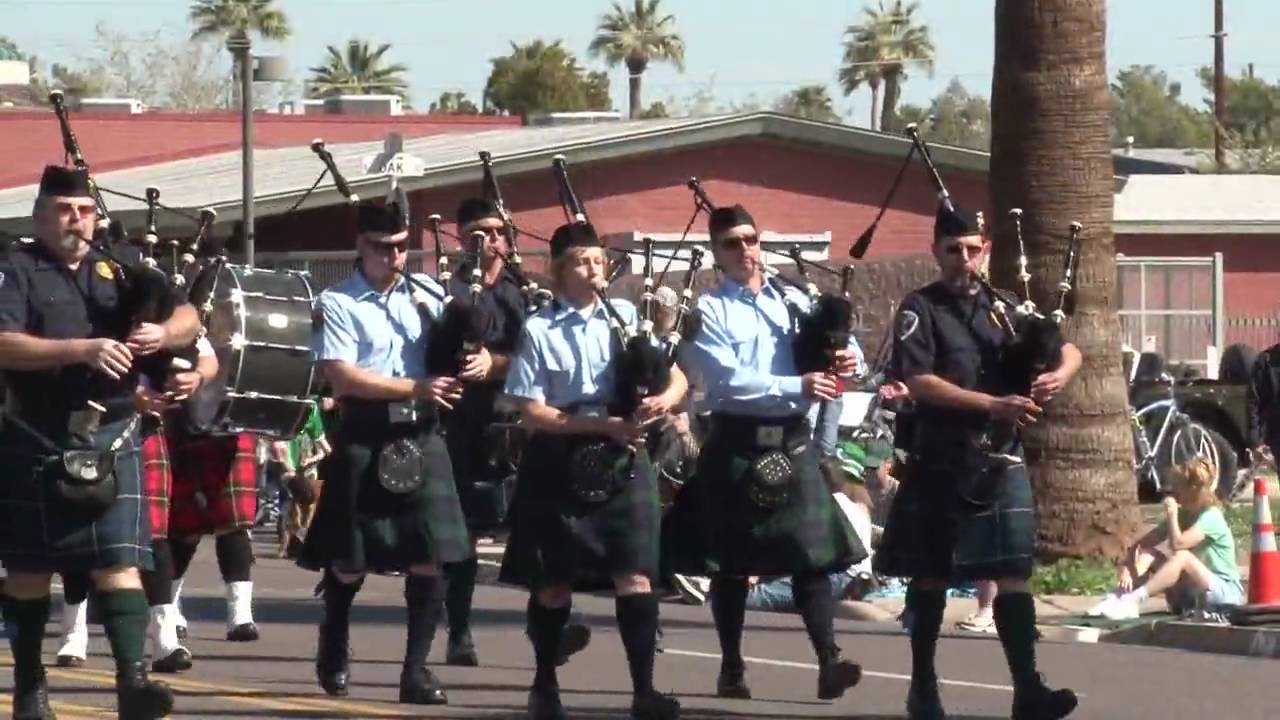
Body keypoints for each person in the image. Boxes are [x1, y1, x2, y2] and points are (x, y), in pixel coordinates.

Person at [0, 165, 202, 719]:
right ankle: (28, 687)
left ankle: (132, 684)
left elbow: (186, 314)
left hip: (113, 432)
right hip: (36, 430)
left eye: (85, 209)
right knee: (28, 569)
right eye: (65, 209)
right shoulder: (16, 270)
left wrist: (166, 335)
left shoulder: (120, 265)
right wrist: (81, 349)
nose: (77, 220)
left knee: (119, 561)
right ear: (40, 216)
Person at [874, 201, 1082, 720]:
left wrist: (1063, 373)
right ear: (936, 252)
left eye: (972, 250)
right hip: (942, 456)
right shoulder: (919, 309)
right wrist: (992, 404)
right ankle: (923, 687)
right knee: (931, 576)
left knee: (1013, 573)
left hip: (1001, 456)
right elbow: (919, 381)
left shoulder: (1007, 307)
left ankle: (1028, 689)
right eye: (953, 250)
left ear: (985, 251)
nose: (963, 259)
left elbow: (1068, 348)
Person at [662, 203, 866, 703]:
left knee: (811, 559)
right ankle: (731, 667)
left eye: (751, 239)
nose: (745, 250)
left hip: (792, 440)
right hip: (736, 441)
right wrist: (798, 382)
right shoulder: (709, 311)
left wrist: (845, 357)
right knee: (730, 563)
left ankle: (829, 661)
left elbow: (850, 355)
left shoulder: (794, 300)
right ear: (715, 252)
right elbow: (728, 379)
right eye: (732, 242)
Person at [499, 221, 686, 720]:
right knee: (553, 582)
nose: (594, 269)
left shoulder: (625, 319)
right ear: (561, 270)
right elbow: (531, 411)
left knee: (636, 576)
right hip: (561, 455)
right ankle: (545, 684)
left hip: (624, 456)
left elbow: (676, 375)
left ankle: (644, 692)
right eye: (582, 261)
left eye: (599, 260)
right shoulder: (539, 329)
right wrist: (600, 426)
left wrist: (663, 401)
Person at [299, 198, 472, 706]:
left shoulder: (430, 296)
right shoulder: (338, 302)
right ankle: (334, 635)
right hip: (366, 433)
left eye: (400, 248)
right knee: (351, 561)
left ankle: (415, 672)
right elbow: (343, 375)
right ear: (360, 246)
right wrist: (414, 388)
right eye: (382, 249)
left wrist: (476, 353)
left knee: (428, 557)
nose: (393, 258)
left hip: (422, 434)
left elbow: (459, 349)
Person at [440, 197, 593, 668]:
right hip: (464, 422)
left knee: (537, 530)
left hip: (522, 424)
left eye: (496, 232)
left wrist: (496, 364)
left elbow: (538, 352)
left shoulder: (523, 292)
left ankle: (543, 628)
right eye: (476, 233)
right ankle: (459, 631)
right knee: (463, 533)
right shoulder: (446, 290)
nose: (487, 241)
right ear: (460, 238)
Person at [1088, 457, 1244, 620]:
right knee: (1149, 554)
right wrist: (1128, 568)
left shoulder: (1211, 516)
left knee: (1182, 557)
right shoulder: (1184, 513)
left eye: (1179, 487)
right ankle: (1120, 596)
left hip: (1224, 595)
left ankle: (1134, 599)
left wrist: (1171, 514)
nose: (1173, 492)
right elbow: (1142, 544)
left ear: (1193, 489)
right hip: (1191, 594)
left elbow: (1178, 544)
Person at [275, 400, 332, 558]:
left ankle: (300, 545)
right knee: (292, 510)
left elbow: (325, 450)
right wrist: (289, 470)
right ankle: (286, 545)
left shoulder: (312, 419)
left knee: (308, 510)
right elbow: (277, 449)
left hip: (308, 473)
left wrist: (310, 460)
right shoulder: (287, 422)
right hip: (290, 471)